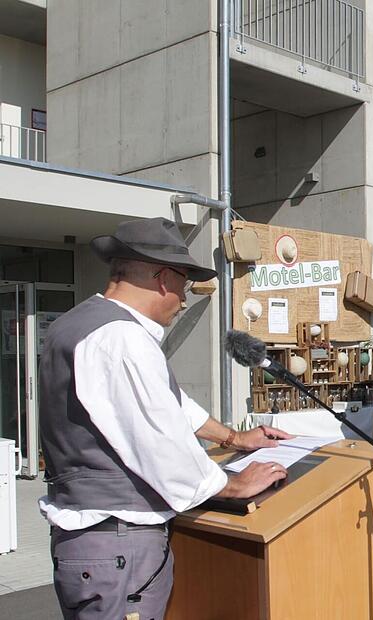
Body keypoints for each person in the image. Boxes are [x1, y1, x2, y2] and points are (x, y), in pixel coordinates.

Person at [40, 218, 291, 619]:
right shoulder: (123, 339)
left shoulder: (77, 324)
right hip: (120, 543)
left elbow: (169, 405)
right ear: (162, 278)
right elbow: (160, 442)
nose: (184, 300)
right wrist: (231, 485)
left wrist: (235, 439)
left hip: (92, 544)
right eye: (184, 285)